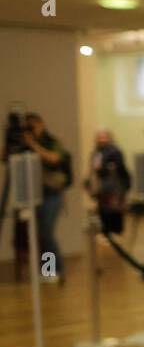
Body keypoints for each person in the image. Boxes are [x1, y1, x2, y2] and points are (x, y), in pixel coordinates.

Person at [23, 113, 73, 284]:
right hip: (33, 194)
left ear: (41, 125)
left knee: (47, 233)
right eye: (27, 126)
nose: (31, 129)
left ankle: (54, 270)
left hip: (52, 194)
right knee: (40, 235)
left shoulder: (52, 142)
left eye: (33, 125)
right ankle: (46, 271)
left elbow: (54, 158)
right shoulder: (24, 145)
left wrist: (33, 144)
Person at [86, 130, 131, 235]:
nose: (102, 140)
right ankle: (107, 232)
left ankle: (116, 231)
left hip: (114, 186)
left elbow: (120, 169)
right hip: (103, 186)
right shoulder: (97, 153)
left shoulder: (115, 151)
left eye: (104, 137)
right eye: (100, 137)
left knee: (114, 209)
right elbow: (95, 169)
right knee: (104, 209)